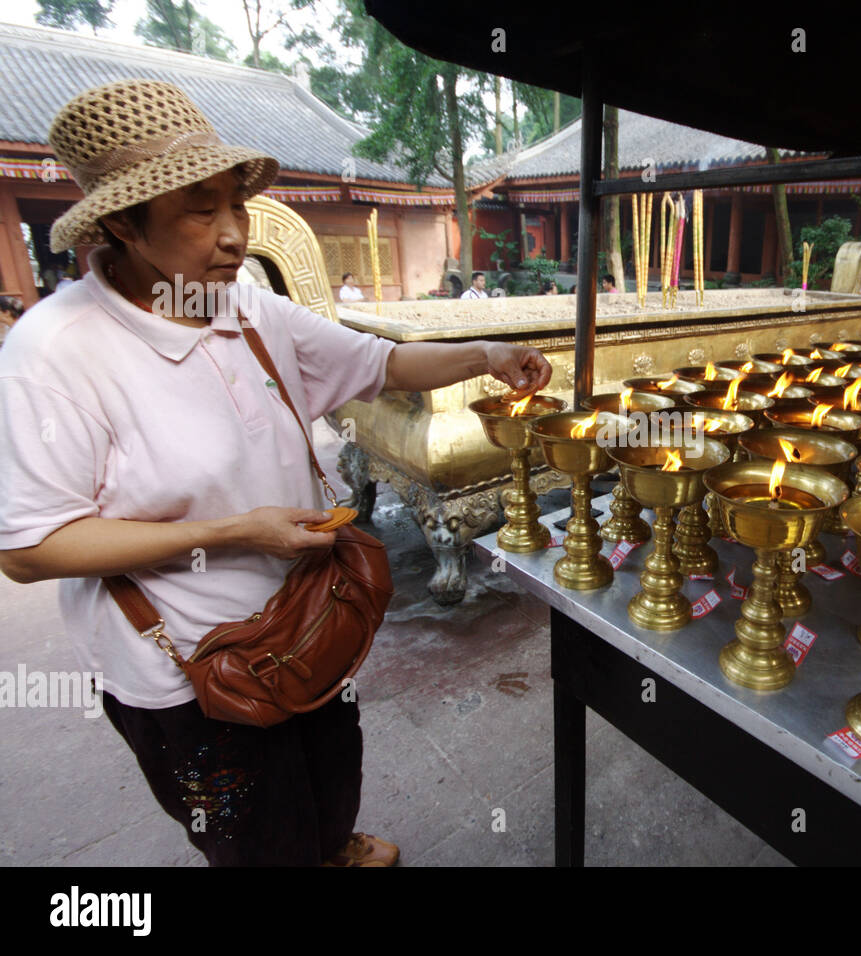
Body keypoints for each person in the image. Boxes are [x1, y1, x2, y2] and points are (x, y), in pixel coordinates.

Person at [0, 80, 552, 867]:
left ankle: (331, 844)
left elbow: (381, 361)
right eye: (200, 210)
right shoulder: (56, 351)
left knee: (330, 766)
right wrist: (233, 532)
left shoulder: (245, 305)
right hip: (189, 667)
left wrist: (486, 356)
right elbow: (29, 548)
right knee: (251, 834)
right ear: (123, 222)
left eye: (236, 204)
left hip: (309, 615)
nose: (233, 236)